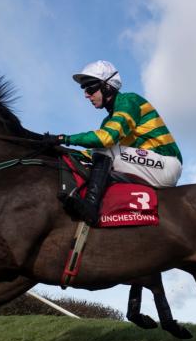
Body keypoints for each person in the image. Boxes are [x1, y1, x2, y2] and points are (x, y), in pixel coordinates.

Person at [54, 60, 183, 226]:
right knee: (96, 157)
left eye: (90, 88)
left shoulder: (129, 101)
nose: (86, 94)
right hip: (145, 166)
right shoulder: (109, 120)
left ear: (107, 86)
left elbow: (105, 139)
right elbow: (93, 153)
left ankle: (91, 208)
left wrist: (64, 138)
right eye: (84, 89)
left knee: (104, 149)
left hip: (167, 165)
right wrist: (59, 149)